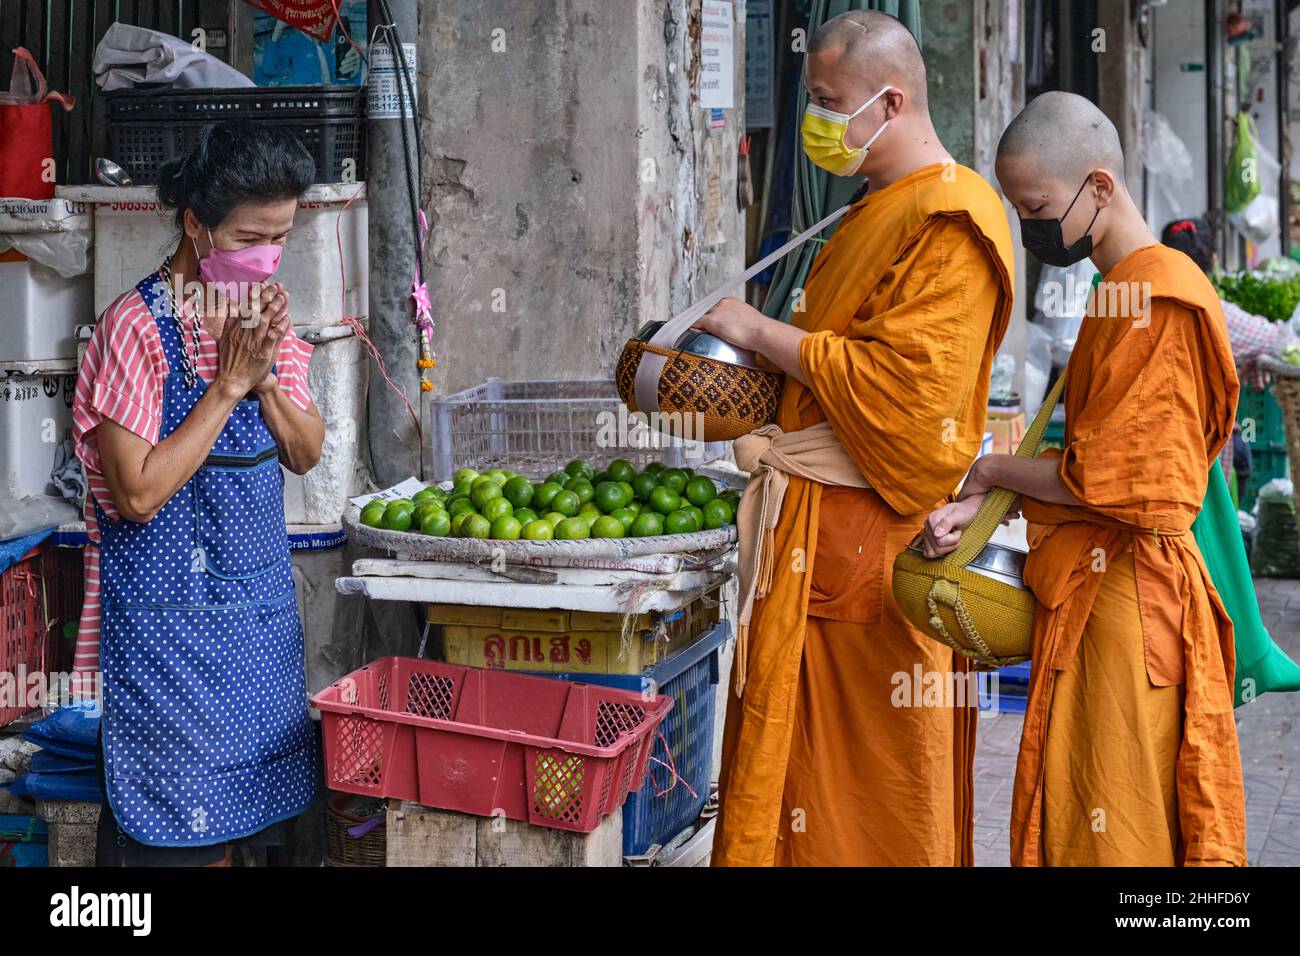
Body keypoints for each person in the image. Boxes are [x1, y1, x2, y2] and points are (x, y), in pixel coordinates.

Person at [693, 10, 1015, 866]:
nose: (818, 121)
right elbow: (827, 373)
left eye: (830, 101)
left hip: (868, 556)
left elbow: (909, 404)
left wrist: (762, 336)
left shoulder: (952, 217)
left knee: (869, 802)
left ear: (891, 99)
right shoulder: (874, 206)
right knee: (786, 772)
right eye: (813, 100)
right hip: (811, 536)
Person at [922, 92, 1246, 866]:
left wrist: (991, 471)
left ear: (1099, 187)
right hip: (1099, 596)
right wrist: (988, 501)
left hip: (1132, 605)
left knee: (1119, 825)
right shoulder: (1122, 290)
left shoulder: (1155, 297)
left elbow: (1117, 484)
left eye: (1036, 207)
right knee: (1079, 812)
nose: (1032, 229)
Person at [71, 120, 325, 866]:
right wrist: (228, 386)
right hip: (167, 647)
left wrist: (266, 374)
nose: (268, 256)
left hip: (257, 635)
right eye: (251, 235)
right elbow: (137, 495)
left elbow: (305, 454)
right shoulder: (136, 329)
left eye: (281, 237)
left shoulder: (265, 315)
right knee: (170, 839)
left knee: (259, 836)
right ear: (196, 223)